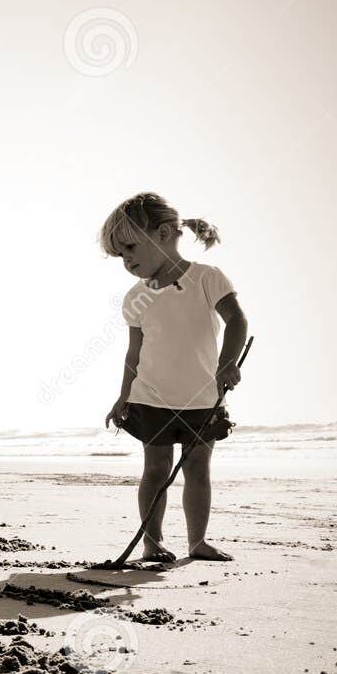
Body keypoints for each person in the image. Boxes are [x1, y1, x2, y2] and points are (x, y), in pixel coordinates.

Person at [100, 192, 248, 563]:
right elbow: (133, 354)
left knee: (198, 468)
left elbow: (237, 321)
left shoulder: (206, 278)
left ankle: (197, 542)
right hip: (151, 398)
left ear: (164, 233)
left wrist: (228, 363)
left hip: (202, 398)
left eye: (130, 247)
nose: (127, 261)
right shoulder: (136, 297)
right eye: (120, 255)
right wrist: (123, 397)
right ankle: (153, 542)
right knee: (155, 469)